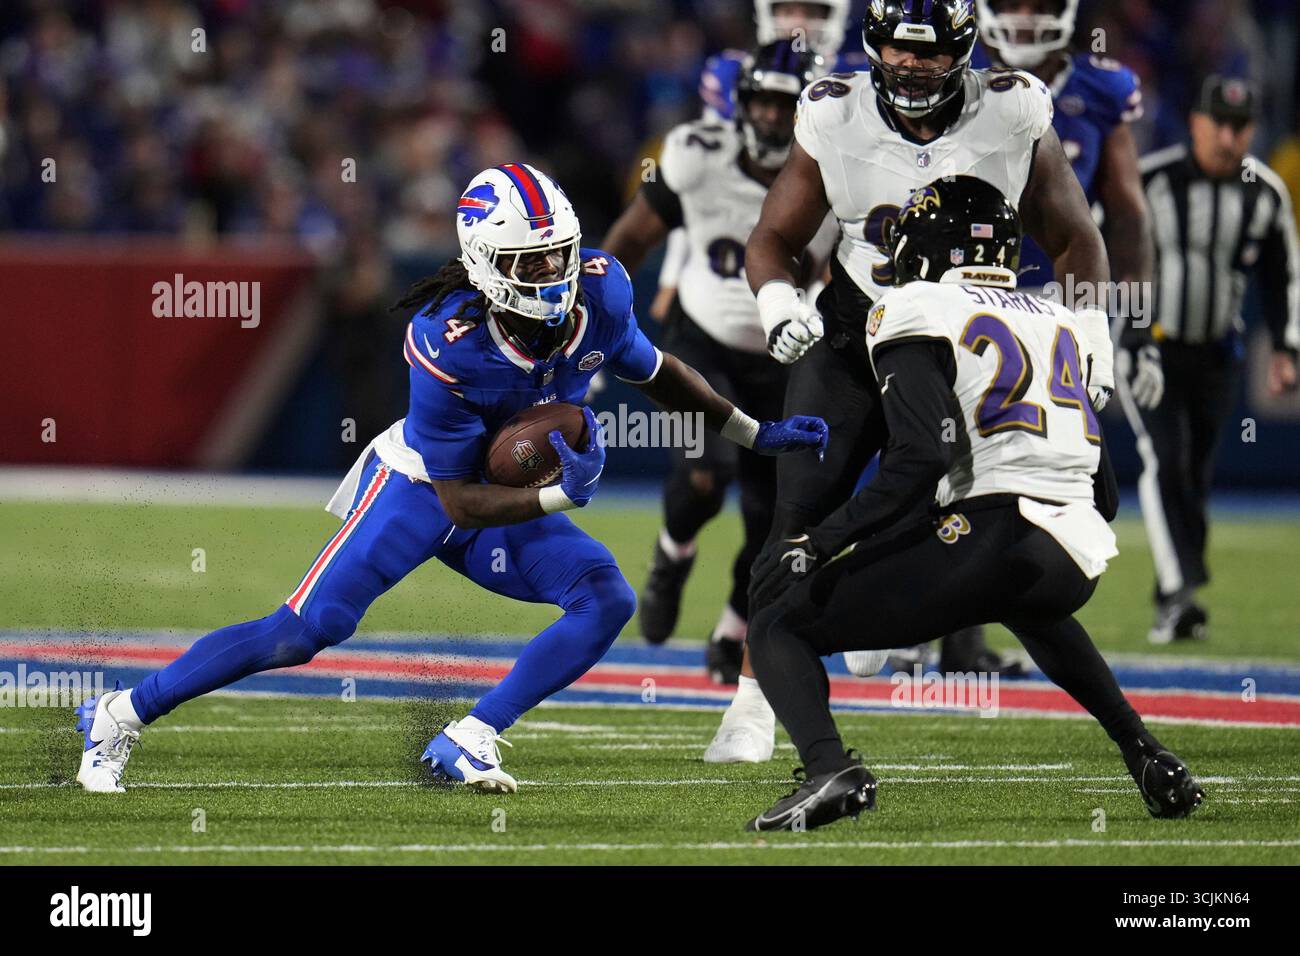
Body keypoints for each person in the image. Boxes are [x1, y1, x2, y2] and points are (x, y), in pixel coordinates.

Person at [74, 163, 829, 795]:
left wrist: (754, 433)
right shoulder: (447, 342)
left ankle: (468, 736)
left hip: (497, 494)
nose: (550, 272)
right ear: (483, 265)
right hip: (420, 487)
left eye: (557, 252)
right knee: (304, 632)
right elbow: (458, 499)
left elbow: (663, 376)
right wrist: (565, 492)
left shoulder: (600, 294)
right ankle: (119, 714)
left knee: (603, 597)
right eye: (527, 261)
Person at [713, 0, 1116, 763]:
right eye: (899, 50)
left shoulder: (1013, 111)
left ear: (964, 50)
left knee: (955, 491)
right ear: (873, 46)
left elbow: (1076, 236)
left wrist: (1091, 334)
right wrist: (775, 301)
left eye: (930, 54)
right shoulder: (834, 116)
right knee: (798, 503)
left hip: (961, 336)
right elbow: (774, 236)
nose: (912, 66)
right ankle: (752, 700)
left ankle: (884, 610)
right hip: (855, 328)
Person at [743, 175, 1204, 831]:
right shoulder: (1062, 317)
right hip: (1074, 552)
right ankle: (1148, 754)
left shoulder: (912, 308)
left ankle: (827, 768)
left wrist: (818, 541)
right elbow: (1103, 490)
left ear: (923, 250)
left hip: (992, 533)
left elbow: (920, 456)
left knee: (777, 620)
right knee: (1029, 606)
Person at [602, 42, 836, 712]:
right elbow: (631, 238)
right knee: (706, 475)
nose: (767, 115)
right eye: (758, 100)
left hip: (784, 355)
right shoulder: (695, 154)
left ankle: (733, 629)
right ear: (739, 103)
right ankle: (673, 553)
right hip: (700, 339)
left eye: (781, 103)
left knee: (776, 519)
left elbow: (841, 274)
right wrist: (587, 312)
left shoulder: (836, 173)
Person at [1121, 76, 1299, 644]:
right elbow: (1110, 255)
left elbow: (1281, 277)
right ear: (1195, 122)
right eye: (1218, 123)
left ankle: (1176, 594)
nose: (1228, 136)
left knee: (1195, 473)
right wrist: (1119, 334)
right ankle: (1177, 596)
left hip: (1217, 354)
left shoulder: (1265, 192)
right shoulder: (1151, 181)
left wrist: (1286, 347)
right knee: (1164, 458)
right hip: (1149, 345)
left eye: (1240, 125)